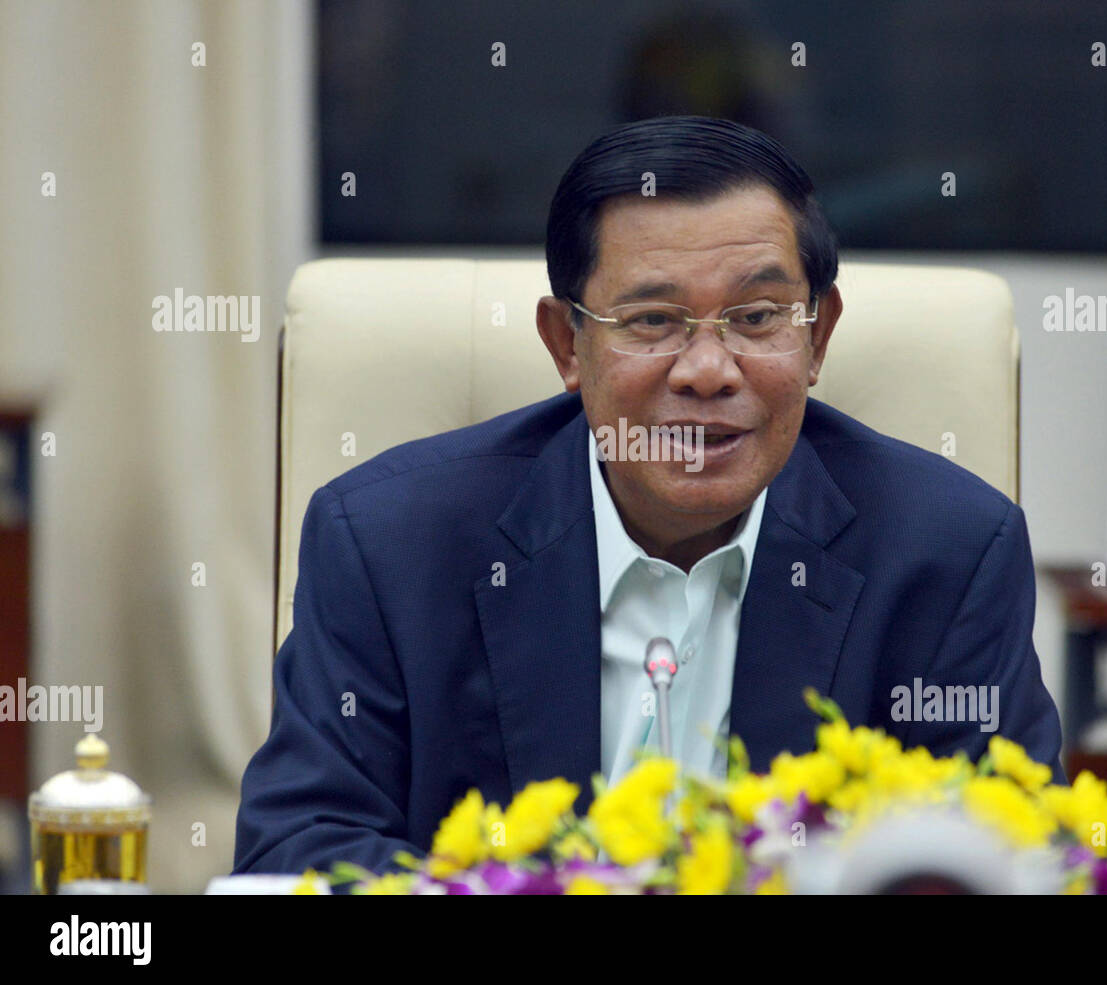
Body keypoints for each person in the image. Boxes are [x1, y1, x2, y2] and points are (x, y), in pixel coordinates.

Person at [233, 115, 1065, 878]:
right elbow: (300, 848)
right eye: (652, 321)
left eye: (757, 316)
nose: (708, 371)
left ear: (819, 335)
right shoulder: (388, 544)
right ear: (567, 343)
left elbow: (1008, 855)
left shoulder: (949, 552)